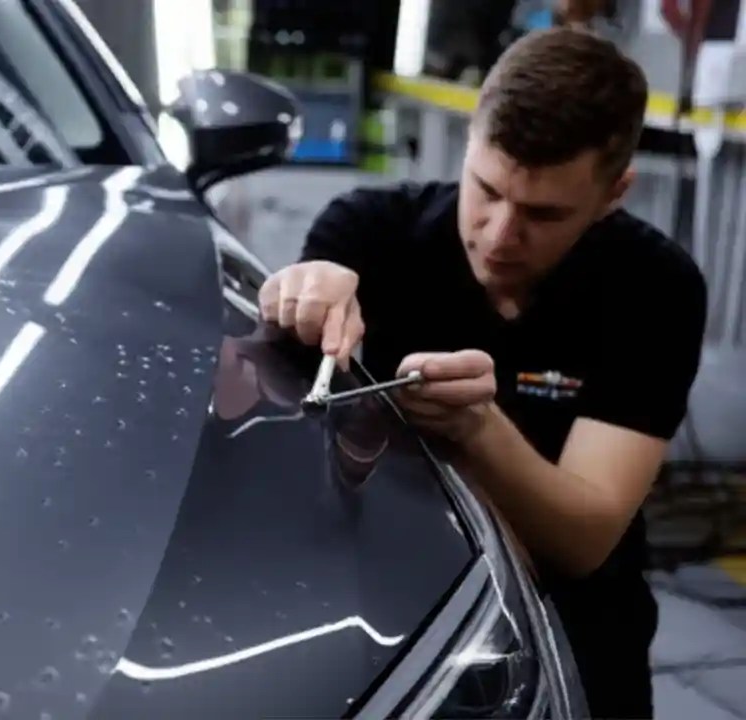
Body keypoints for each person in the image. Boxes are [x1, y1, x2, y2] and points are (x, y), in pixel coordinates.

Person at [258, 26, 707, 719]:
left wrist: (478, 429)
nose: (499, 235)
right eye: (487, 190)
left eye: (542, 214)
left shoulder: (655, 288)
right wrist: (288, 308)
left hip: (574, 625)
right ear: (470, 142)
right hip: (383, 612)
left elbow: (582, 541)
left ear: (616, 192)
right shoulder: (367, 235)